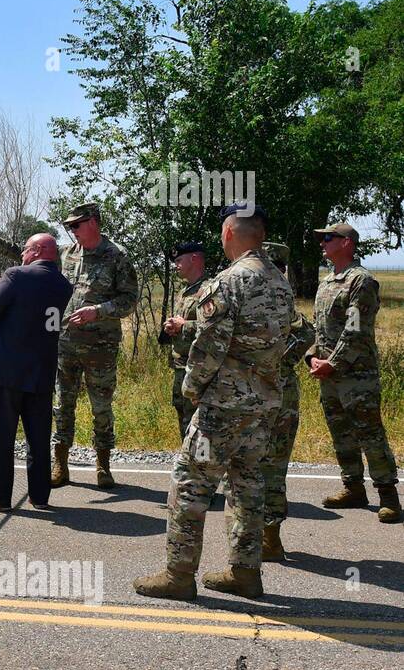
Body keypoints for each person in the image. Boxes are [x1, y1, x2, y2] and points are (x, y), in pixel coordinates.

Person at [134, 204, 293, 600]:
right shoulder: (279, 281)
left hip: (222, 408)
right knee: (247, 485)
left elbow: (208, 348)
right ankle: (245, 572)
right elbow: (287, 341)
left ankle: (179, 575)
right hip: (263, 405)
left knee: (189, 483)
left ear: (228, 234)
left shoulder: (228, 282)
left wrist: (192, 389)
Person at [0, 203, 138, 489]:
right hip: (64, 344)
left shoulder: (117, 256)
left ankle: (103, 466)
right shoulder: (69, 254)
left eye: (76, 225)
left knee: (101, 408)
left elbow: (129, 299)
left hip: (100, 348)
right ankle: (60, 464)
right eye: (69, 227)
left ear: (93, 222)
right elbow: (35, 257)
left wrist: (98, 310)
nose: (72, 231)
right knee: (61, 407)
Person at [0, 233, 74, 511]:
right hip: (41, 371)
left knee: (2, 436)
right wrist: (2, 288)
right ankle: (40, 496)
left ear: (38, 250)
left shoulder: (15, 276)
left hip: (8, 371)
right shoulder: (63, 284)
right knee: (38, 438)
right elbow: (30, 309)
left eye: (26, 250)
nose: (22, 255)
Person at [306, 223, 400, 523]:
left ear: (347, 243)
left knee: (369, 434)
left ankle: (388, 497)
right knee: (341, 434)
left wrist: (332, 362)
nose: (322, 243)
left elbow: (355, 329)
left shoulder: (361, 281)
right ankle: (353, 488)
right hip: (328, 375)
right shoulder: (326, 282)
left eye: (328, 238)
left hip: (357, 375)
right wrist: (312, 357)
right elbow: (319, 328)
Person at [254, 242, 315, 560]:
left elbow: (306, 333)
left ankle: (268, 540)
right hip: (274, 393)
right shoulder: (282, 298)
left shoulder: (274, 298)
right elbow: (306, 333)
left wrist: (276, 359)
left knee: (268, 468)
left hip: (270, 395)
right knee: (267, 468)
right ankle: (265, 538)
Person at [159, 242, 209, 438]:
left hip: (199, 368)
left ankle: (200, 464)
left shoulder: (208, 290)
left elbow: (216, 329)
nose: (176, 265)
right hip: (181, 367)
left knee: (199, 426)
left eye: (179, 260)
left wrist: (184, 326)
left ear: (194, 258)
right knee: (184, 420)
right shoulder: (185, 291)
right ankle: (189, 464)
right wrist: (172, 327)